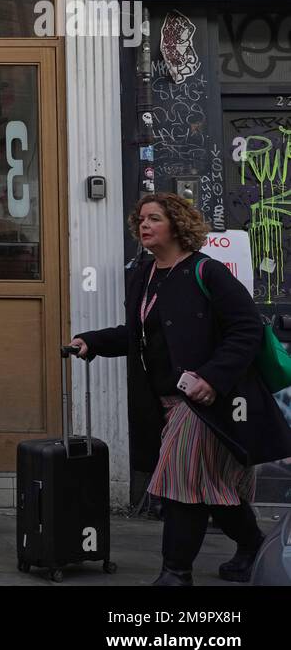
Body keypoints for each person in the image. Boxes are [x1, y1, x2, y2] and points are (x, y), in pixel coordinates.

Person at [72, 193, 291, 585]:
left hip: (210, 402)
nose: (143, 225)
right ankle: (253, 546)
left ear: (177, 224)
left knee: (181, 481)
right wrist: (92, 341)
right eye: (140, 219)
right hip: (168, 402)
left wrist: (211, 377)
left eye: (154, 218)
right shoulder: (144, 274)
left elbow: (246, 329)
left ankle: (176, 572)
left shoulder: (207, 272)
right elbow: (138, 335)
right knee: (211, 486)